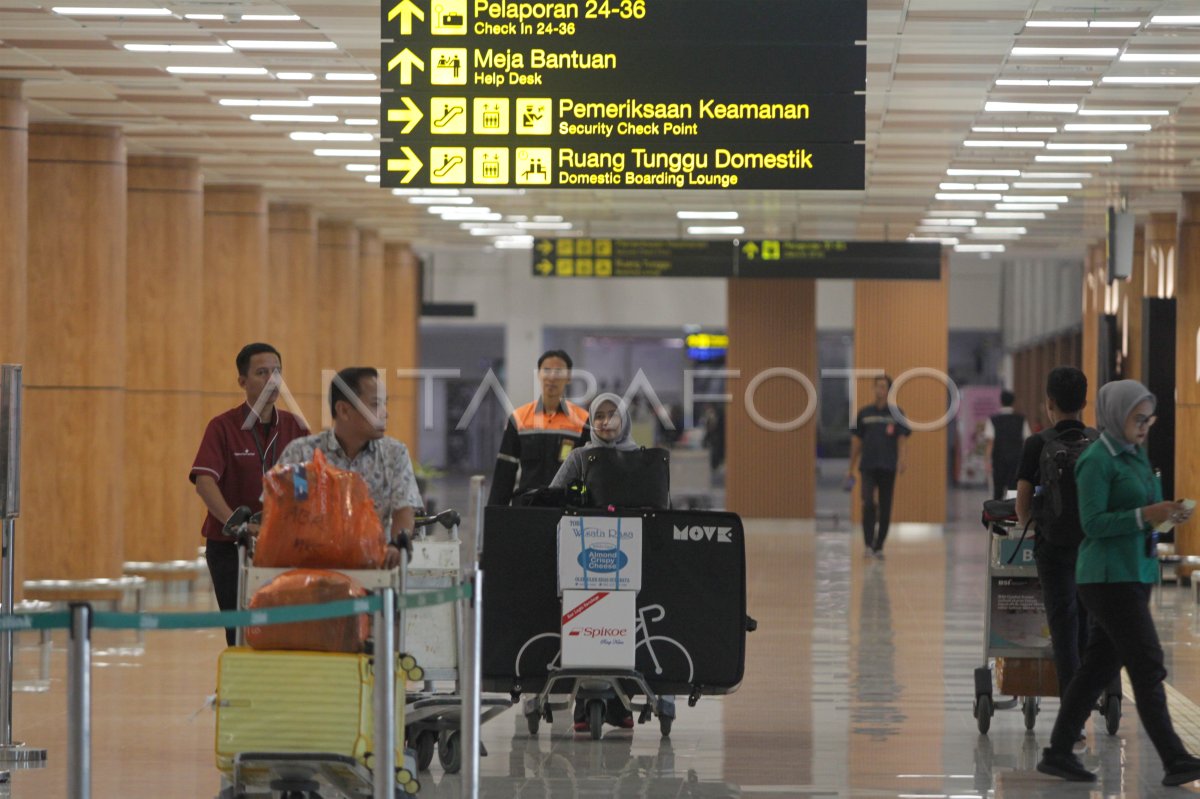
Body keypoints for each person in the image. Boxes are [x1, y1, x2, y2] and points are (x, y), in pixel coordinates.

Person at [1037, 380, 1200, 786]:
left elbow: (1145, 515)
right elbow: (1091, 524)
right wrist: (1146, 515)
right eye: (1137, 418)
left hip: (1136, 572)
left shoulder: (1136, 458)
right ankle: (1175, 758)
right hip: (1106, 578)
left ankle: (1058, 752)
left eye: (1149, 419)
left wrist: (1168, 516)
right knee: (1148, 665)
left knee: (1096, 668)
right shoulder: (1096, 461)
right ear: (1115, 415)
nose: (1145, 426)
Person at [190, 343, 309, 645]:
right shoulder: (223, 427)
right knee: (240, 632)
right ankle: (244, 688)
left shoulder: (296, 428)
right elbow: (205, 481)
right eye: (261, 372)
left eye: (277, 372)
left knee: (286, 631)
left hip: (284, 547)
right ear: (242, 381)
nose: (272, 380)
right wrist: (236, 522)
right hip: (230, 546)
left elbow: (306, 485)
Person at [550, 393, 650, 733]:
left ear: (625, 420)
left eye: (613, 415)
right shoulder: (580, 457)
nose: (606, 422)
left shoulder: (642, 459)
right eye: (600, 416)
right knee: (587, 624)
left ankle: (621, 702)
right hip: (584, 559)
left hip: (629, 558)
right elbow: (553, 496)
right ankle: (585, 702)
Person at [278, 367, 423, 570]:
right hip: (311, 570)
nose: (385, 413)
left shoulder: (394, 454)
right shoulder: (302, 455)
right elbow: (291, 510)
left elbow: (403, 509)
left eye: (384, 404)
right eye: (375, 404)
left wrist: (397, 545)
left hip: (374, 568)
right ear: (344, 410)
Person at [1015, 367, 1100, 704]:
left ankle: (1073, 714)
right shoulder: (1098, 442)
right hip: (1092, 547)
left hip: (1053, 549)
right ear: (1083, 402)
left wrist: (1039, 527)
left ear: (1049, 402)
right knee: (1087, 621)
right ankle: (1092, 695)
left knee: (1062, 627)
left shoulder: (1037, 443)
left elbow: (1023, 504)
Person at [488, 350, 590, 506]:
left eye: (559, 371)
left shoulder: (582, 420)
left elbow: (588, 474)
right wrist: (494, 518)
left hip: (566, 508)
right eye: (547, 370)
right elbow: (504, 474)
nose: (552, 377)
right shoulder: (519, 418)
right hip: (527, 507)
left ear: (569, 377)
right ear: (539, 375)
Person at [846, 375, 910, 558]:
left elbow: (902, 439)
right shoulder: (864, 413)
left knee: (885, 505)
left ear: (889, 390)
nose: (879, 390)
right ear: (873, 389)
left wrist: (902, 459)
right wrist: (850, 467)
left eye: (883, 386)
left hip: (888, 466)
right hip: (868, 465)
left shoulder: (897, 414)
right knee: (867, 502)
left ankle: (879, 545)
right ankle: (867, 543)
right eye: (877, 386)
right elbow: (856, 442)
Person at [984, 389, 1031, 501]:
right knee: (1013, 491)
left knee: (998, 490)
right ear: (1013, 402)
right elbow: (1027, 440)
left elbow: (990, 443)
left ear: (1001, 401)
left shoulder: (993, 420)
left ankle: (997, 515)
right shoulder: (1021, 419)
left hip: (998, 459)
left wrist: (987, 461)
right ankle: (1012, 515)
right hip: (1016, 460)